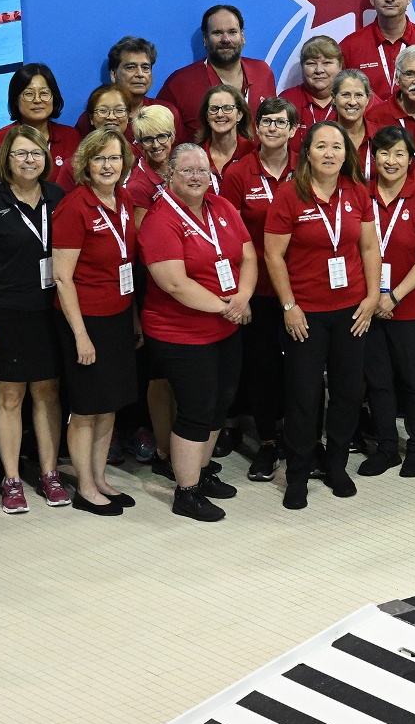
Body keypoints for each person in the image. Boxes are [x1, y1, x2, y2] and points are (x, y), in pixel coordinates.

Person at [263, 122, 381, 506]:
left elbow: (369, 249)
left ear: (347, 153)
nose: (330, 153)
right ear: (308, 153)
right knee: (304, 395)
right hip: (306, 314)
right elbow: (273, 255)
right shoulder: (289, 195)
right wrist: (289, 306)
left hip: (351, 312)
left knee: (348, 393)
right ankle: (297, 474)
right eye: (321, 147)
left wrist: (371, 297)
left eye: (337, 147)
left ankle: (336, 465)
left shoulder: (357, 193)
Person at [140, 143, 255, 521]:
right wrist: (229, 307)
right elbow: (174, 284)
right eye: (186, 170)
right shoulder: (160, 219)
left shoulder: (221, 207)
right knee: (196, 410)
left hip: (226, 326)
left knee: (219, 405)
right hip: (181, 334)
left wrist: (242, 296)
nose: (195, 177)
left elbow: (249, 255)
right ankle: (185, 493)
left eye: (202, 171)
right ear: (169, 174)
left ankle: (202, 474)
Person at [0, 124, 68, 513]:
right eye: (21, 153)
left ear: (47, 158)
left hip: (49, 311)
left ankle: (49, 473)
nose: (29, 160)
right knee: (10, 396)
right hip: (6, 313)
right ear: (7, 159)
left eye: (36, 153)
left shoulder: (58, 197)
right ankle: (10, 479)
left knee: (48, 393)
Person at [51, 128, 140, 514]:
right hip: (84, 320)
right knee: (86, 408)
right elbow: (62, 277)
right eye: (100, 158)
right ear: (86, 164)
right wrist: (81, 336)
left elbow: (127, 265)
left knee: (110, 405)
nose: (108, 165)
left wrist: (133, 318)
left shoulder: (124, 198)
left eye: (115, 158)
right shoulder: (75, 207)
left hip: (118, 316)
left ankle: (100, 476)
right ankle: (85, 486)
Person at [220, 97, 297, 481]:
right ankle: (267, 443)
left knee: (301, 368)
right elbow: (231, 238)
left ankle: (299, 440)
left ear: (293, 129)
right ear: (256, 127)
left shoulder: (307, 166)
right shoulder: (238, 174)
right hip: (258, 291)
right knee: (262, 370)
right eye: (266, 121)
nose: (272, 128)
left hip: (302, 289)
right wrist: (240, 293)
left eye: (280, 122)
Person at [363, 125, 415, 477]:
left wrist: (393, 295)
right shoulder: (359, 195)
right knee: (378, 380)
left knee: (413, 379)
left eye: (399, 154)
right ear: (373, 156)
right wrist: (374, 298)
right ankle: (385, 447)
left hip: (410, 306)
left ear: (411, 159)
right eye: (384, 153)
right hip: (367, 307)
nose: (391, 161)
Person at [157, 5, 279, 138]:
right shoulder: (180, 83)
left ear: (242, 36)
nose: (226, 39)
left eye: (232, 32)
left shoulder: (263, 72)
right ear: (205, 39)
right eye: (217, 33)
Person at [0, 63, 80, 187]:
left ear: (54, 97)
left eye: (44, 93)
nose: (37, 100)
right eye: (29, 94)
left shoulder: (71, 137)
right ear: (15, 99)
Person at [77, 37, 169, 132]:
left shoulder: (166, 113)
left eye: (145, 68)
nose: (140, 74)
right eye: (131, 67)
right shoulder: (98, 117)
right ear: (113, 74)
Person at [124, 103, 177, 220]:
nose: (156, 145)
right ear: (140, 144)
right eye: (148, 139)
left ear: (172, 137)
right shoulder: (137, 186)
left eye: (162, 136)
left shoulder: (180, 167)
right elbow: (144, 233)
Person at [194, 83, 257, 182]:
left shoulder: (254, 154)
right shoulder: (194, 155)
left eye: (227, 108)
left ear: (239, 115)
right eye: (214, 109)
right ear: (206, 116)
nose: (219, 114)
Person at [284, 35, 343, 126]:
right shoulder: (287, 100)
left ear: (340, 66)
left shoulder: (352, 100)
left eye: (326, 63)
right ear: (302, 66)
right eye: (311, 63)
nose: (319, 70)